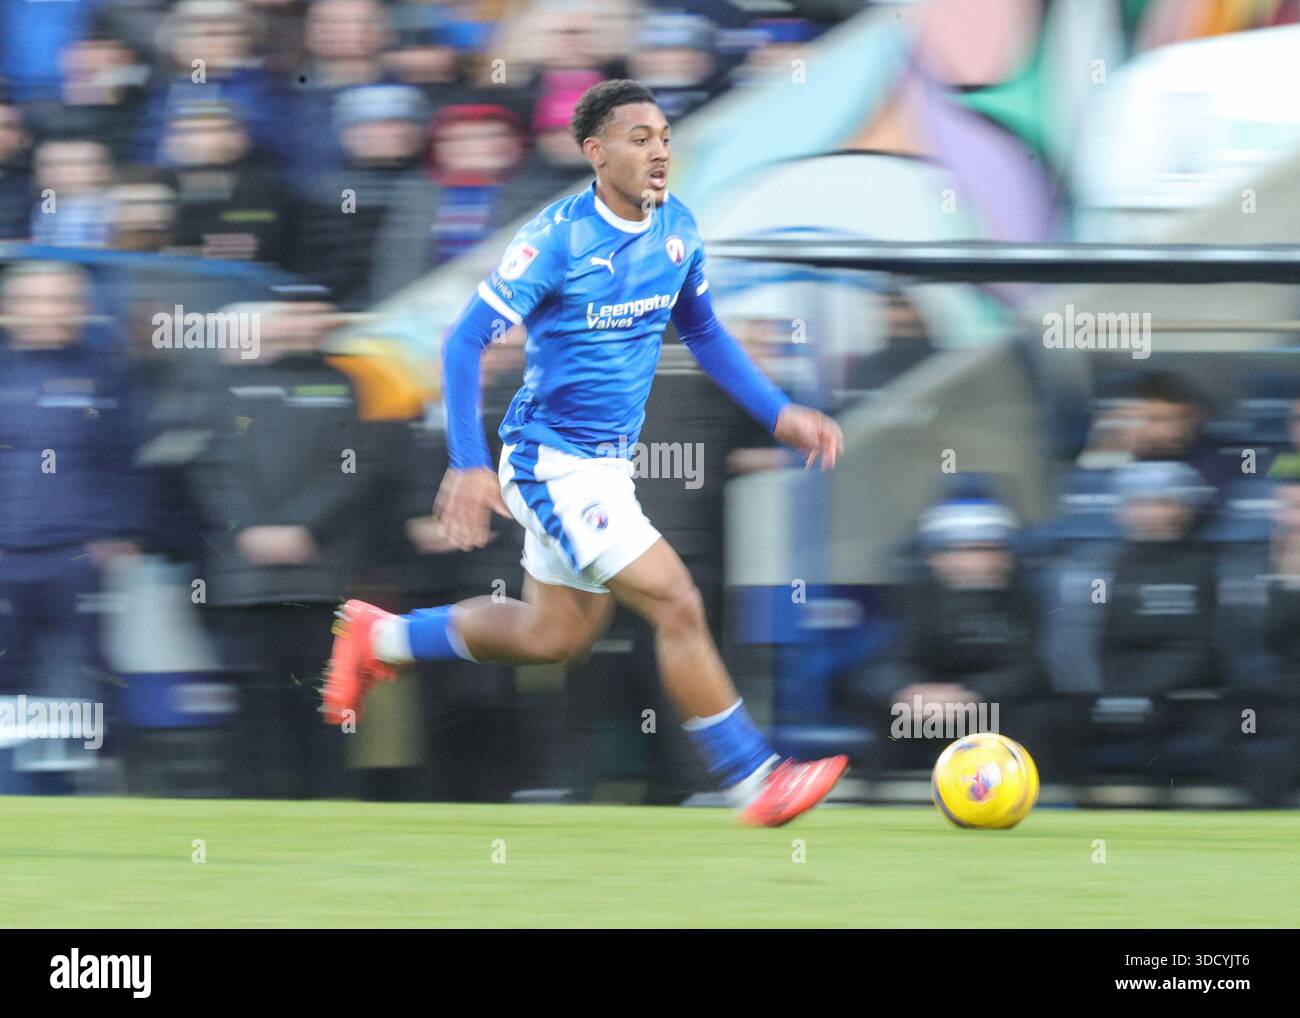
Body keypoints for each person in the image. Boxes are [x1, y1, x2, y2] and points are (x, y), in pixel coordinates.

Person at [322, 79, 848, 827]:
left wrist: (778, 412)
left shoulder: (679, 230)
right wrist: (470, 464)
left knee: (554, 638)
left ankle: (385, 637)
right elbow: (465, 339)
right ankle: (752, 777)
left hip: (604, 467)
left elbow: (701, 330)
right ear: (596, 153)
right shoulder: (556, 238)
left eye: (664, 135)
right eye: (640, 138)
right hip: (549, 461)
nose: (659, 150)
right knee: (676, 598)